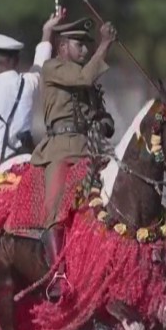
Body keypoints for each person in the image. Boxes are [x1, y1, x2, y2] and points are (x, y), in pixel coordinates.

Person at [31, 16, 117, 269]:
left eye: (87, 45)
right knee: (55, 211)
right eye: (78, 44)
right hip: (60, 151)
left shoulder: (85, 78)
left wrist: (105, 121)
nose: (85, 49)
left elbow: (99, 110)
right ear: (62, 47)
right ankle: (57, 271)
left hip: (90, 151)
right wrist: (106, 44)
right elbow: (83, 77)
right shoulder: (52, 67)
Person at [0, 9, 65, 171]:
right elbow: (40, 65)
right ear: (17, 60)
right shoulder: (28, 85)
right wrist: (47, 31)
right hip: (27, 170)